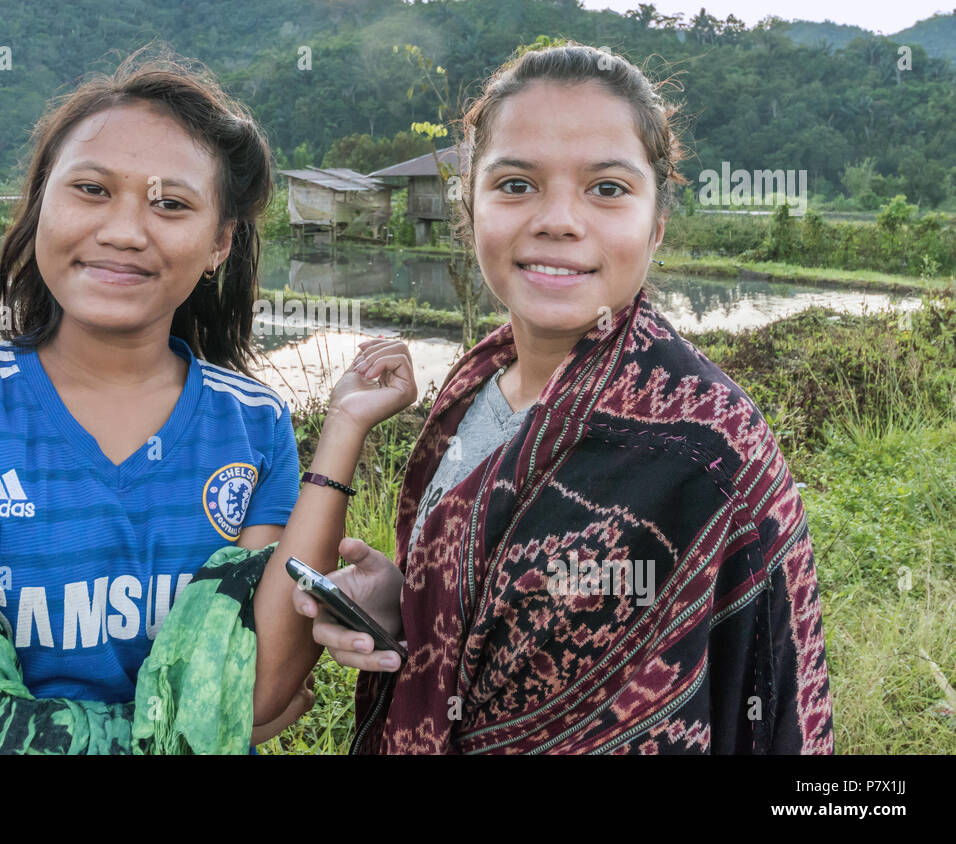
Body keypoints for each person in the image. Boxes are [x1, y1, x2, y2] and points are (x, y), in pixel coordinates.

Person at [0, 47, 416, 753]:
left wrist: (344, 425)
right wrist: (190, 728)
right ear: (40, 203)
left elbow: (261, 683)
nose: (123, 231)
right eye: (91, 190)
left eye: (171, 204)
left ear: (219, 244)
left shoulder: (253, 426)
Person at [293, 42, 835, 754]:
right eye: (516, 184)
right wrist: (408, 601)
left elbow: (775, 702)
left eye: (607, 189)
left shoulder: (702, 444)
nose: (558, 219)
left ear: (657, 223)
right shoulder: (472, 387)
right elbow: (494, 616)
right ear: (471, 207)